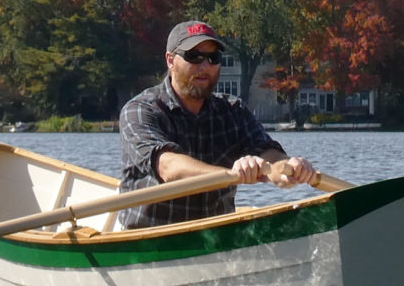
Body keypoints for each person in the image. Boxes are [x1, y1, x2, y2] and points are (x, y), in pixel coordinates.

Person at [118, 20, 317, 228]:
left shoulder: (233, 110)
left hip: (216, 236)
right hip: (153, 236)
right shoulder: (140, 111)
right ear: (170, 60)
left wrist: (286, 169)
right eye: (194, 56)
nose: (205, 67)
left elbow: (267, 153)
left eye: (213, 58)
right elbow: (169, 167)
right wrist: (231, 175)